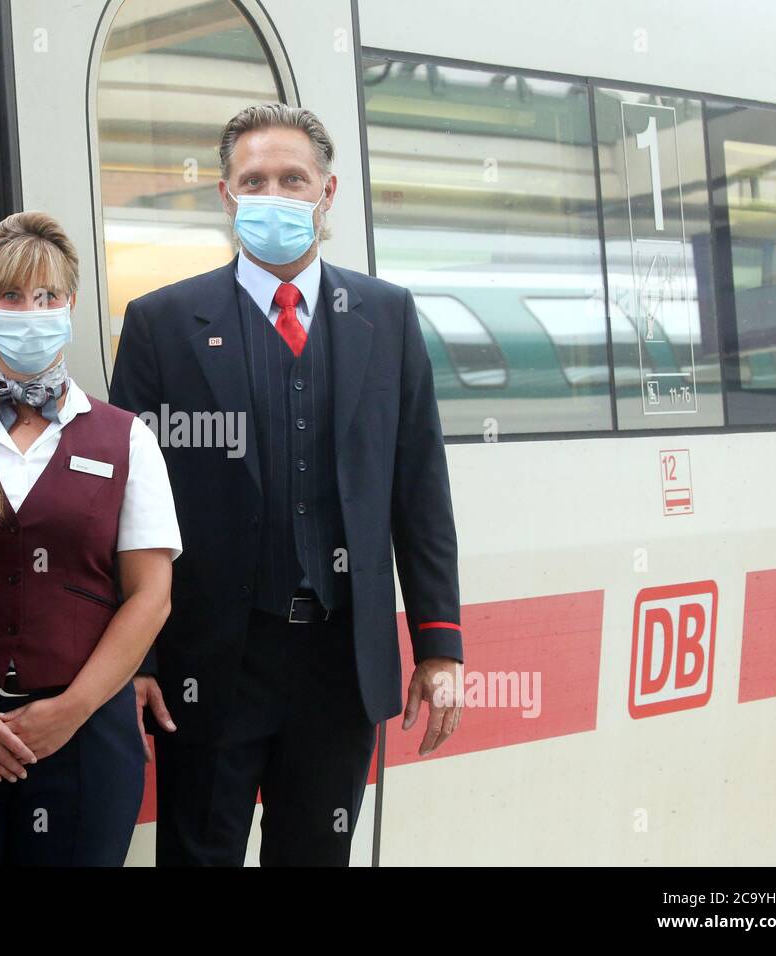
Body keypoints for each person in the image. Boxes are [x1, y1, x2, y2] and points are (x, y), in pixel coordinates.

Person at [108, 103, 466, 866]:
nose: (273, 194)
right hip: (211, 662)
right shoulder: (161, 323)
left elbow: (419, 487)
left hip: (341, 663)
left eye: (291, 178)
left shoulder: (388, 316)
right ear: (226, 194)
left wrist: (440, 647)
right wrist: (136, 659)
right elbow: (125, 506)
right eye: (254, 179)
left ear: (327, 192)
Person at [0, 211, 180, 866]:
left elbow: (151, 596)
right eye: (14, 295)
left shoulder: (125, 438)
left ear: (71, 305)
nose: (33, 310)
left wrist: (72, 710)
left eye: (48, 296)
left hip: (85, 744)